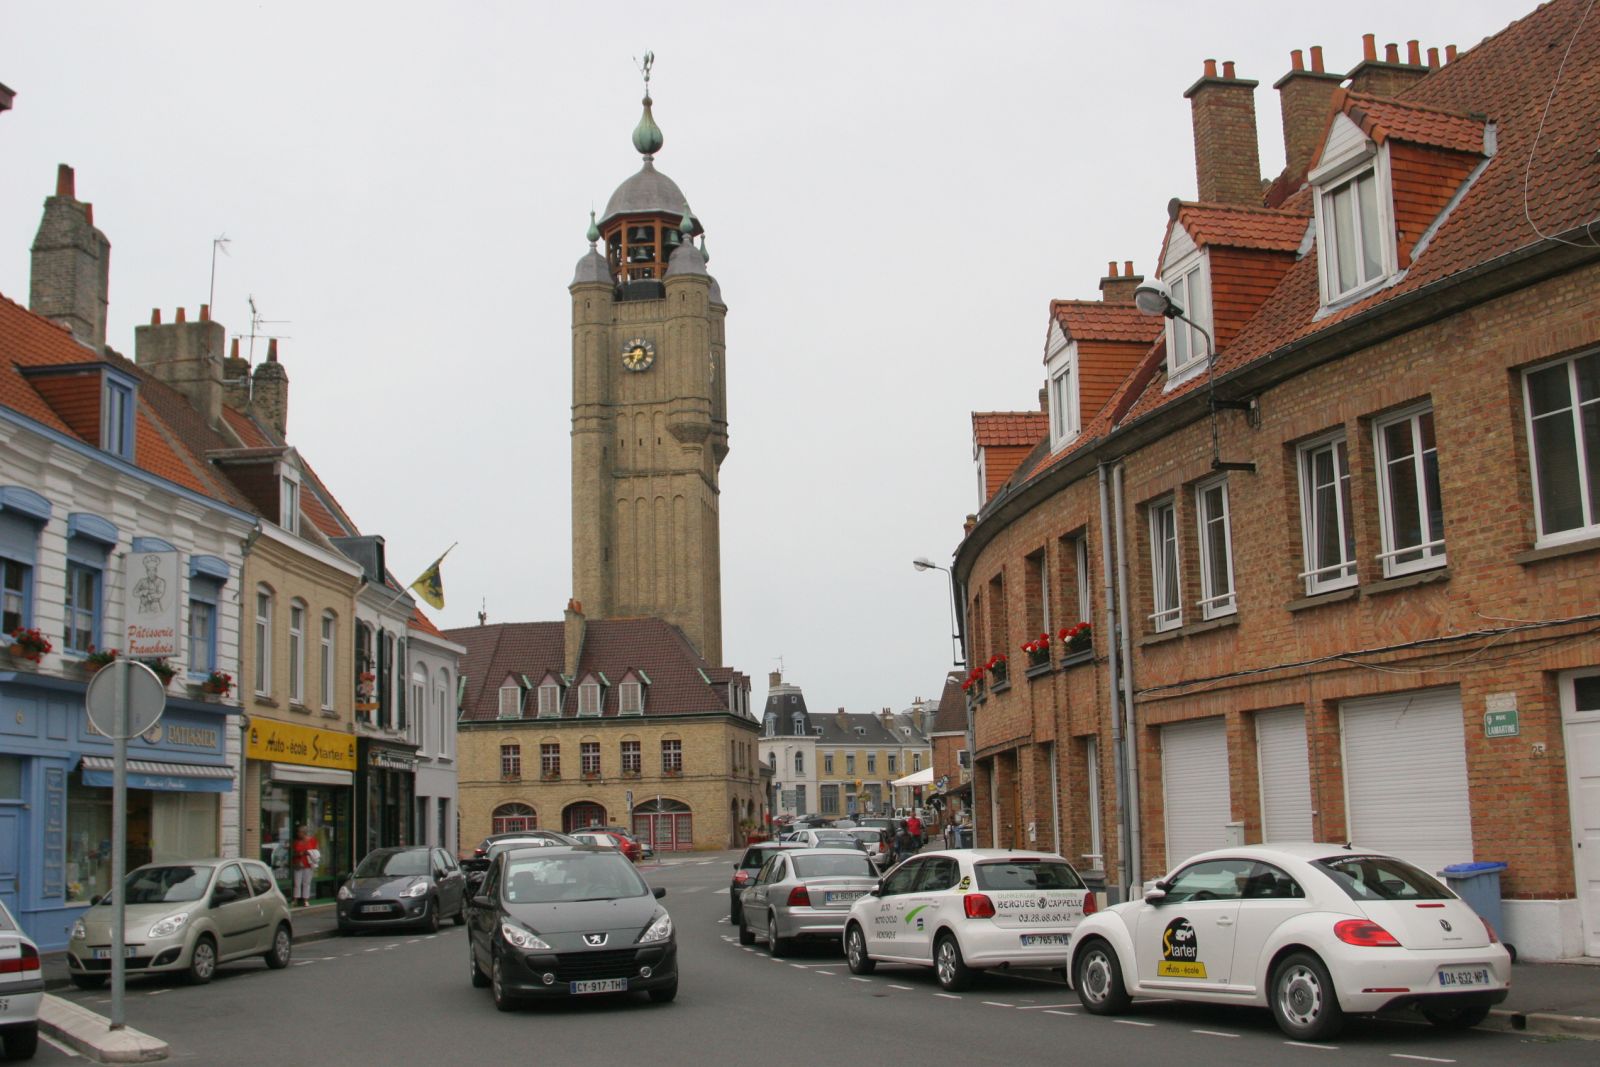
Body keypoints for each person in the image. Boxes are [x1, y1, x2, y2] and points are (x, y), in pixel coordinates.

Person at [290, 826, 319, 907]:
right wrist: (300, 853)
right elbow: (293, 852)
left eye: (300, 832)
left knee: (306, 882)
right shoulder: (296, 842)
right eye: (298, 832)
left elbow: (316, 851)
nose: (298, 834)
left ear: (304, 833)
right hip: (298, 864)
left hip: (308, 864)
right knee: (297, 883)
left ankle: (306, 900)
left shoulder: (312, 840)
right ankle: (295, 899)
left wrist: (311, 853)